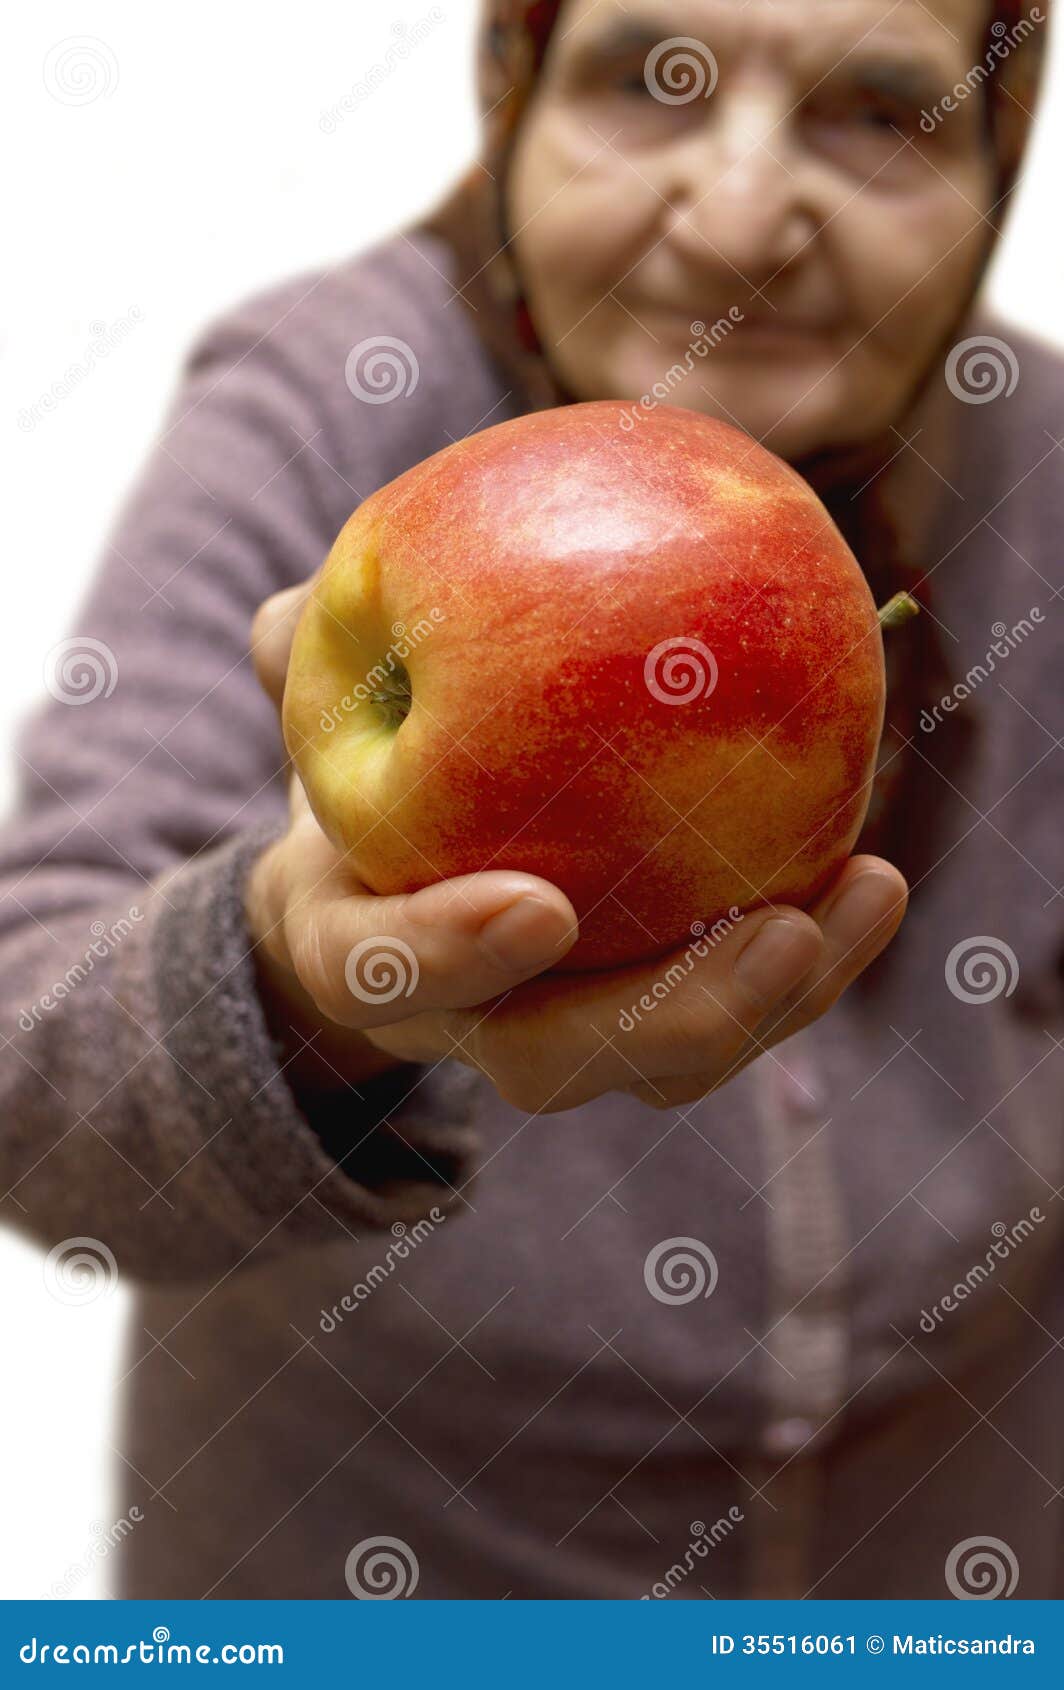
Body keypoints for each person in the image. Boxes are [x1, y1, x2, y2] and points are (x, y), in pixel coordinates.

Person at [1, 0, 1060, 1599]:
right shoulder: (329, 402)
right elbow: (33, 1076)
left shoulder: (1043, 467)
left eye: (877, 114)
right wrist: (302, 982)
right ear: (506, 95)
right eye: (651, 80)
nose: (740, 218)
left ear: (1001, 151)